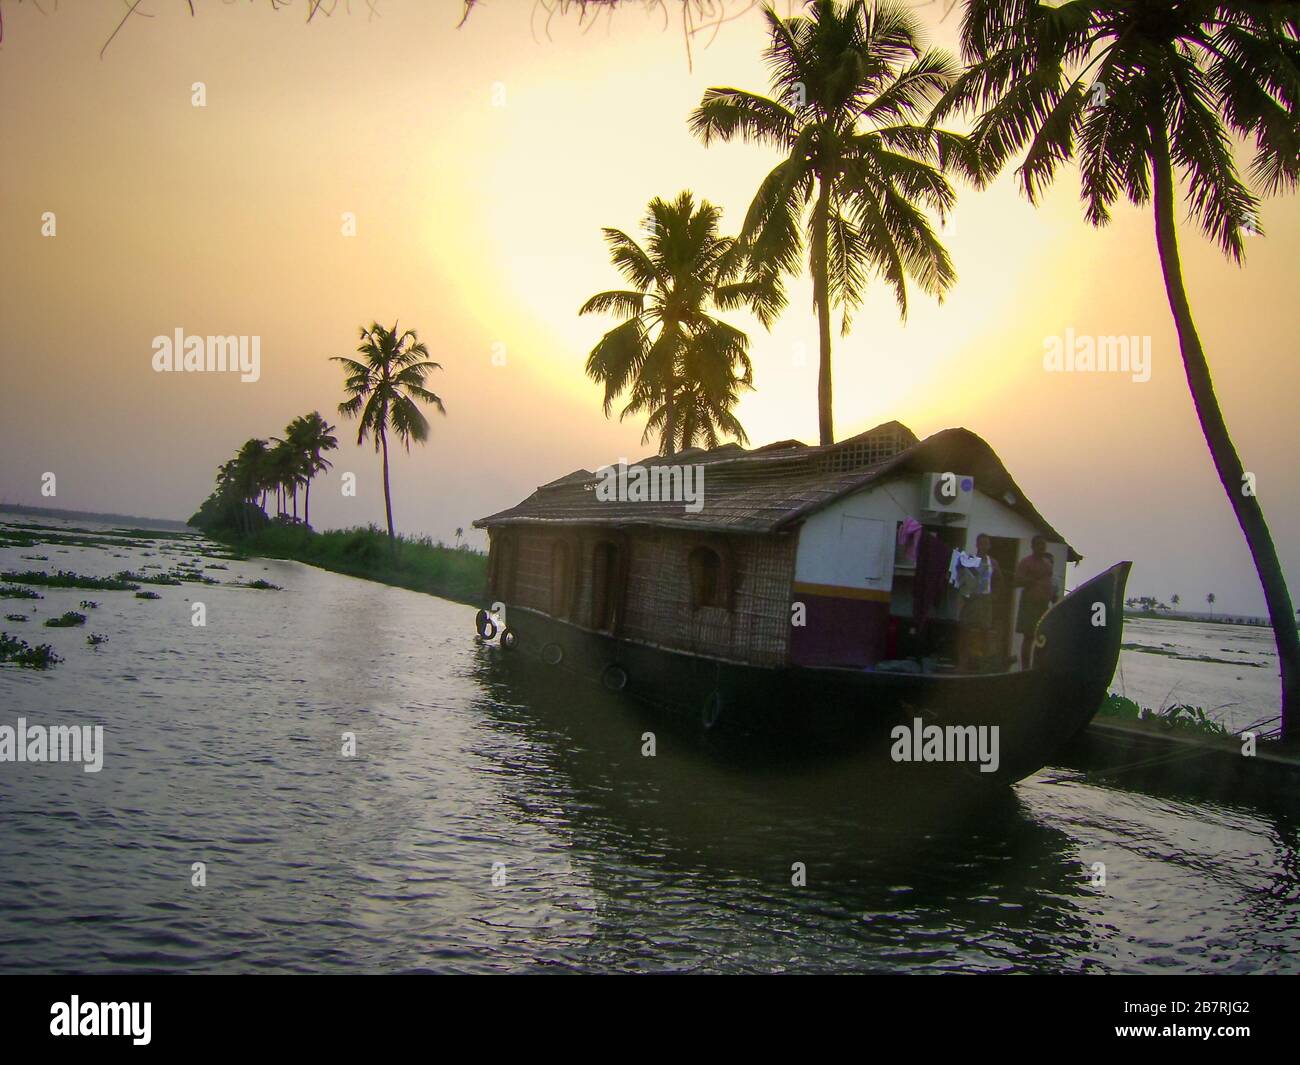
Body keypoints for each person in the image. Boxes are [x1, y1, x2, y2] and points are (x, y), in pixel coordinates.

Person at [1014, 535, 1057, 670]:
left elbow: (1049, 584)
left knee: (1043, 637)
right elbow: (1017, 581)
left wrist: (1053, 596)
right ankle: (1025, 668)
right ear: (1032, 546)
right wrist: (1029, 580)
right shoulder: (1025, 562)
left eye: (1043, 545)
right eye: (1038, 544)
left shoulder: (1048, 564)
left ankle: (1039, 666)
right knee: (1029, 637)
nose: (1041, 547)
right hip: (1029, 604)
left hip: (1043, 606)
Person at [957, 533, 998, 672]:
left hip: (986, 600)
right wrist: (963, 599)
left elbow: (999, 580)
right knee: (966, 631)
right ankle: (962, 663)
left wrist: (995, 595)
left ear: (989, 545)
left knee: (985, 632)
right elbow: (963, 580)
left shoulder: (993, 562)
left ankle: (985, 665)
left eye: (986, 543)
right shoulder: (970, 560)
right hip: (972, 599)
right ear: (977, 545)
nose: (984, 546)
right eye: (981, 543)